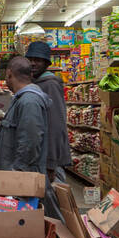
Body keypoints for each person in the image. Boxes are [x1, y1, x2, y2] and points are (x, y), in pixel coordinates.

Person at [0, 55, 59, 218]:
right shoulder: (22, 99)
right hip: (18, 182)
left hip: (23, 185)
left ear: (9, 73)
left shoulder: (29, 101)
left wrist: (17, 179)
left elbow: (30, 143)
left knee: (31, 227)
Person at [25, 41, 72, 188]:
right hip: (41, 158)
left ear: (46, 63)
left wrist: (51, 163)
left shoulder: (50, 84)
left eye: (37, 60)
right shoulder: (35, 83)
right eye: (30, 60)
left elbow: (55, 125)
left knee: (54, 203)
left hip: (50, 160)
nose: (33, 64)